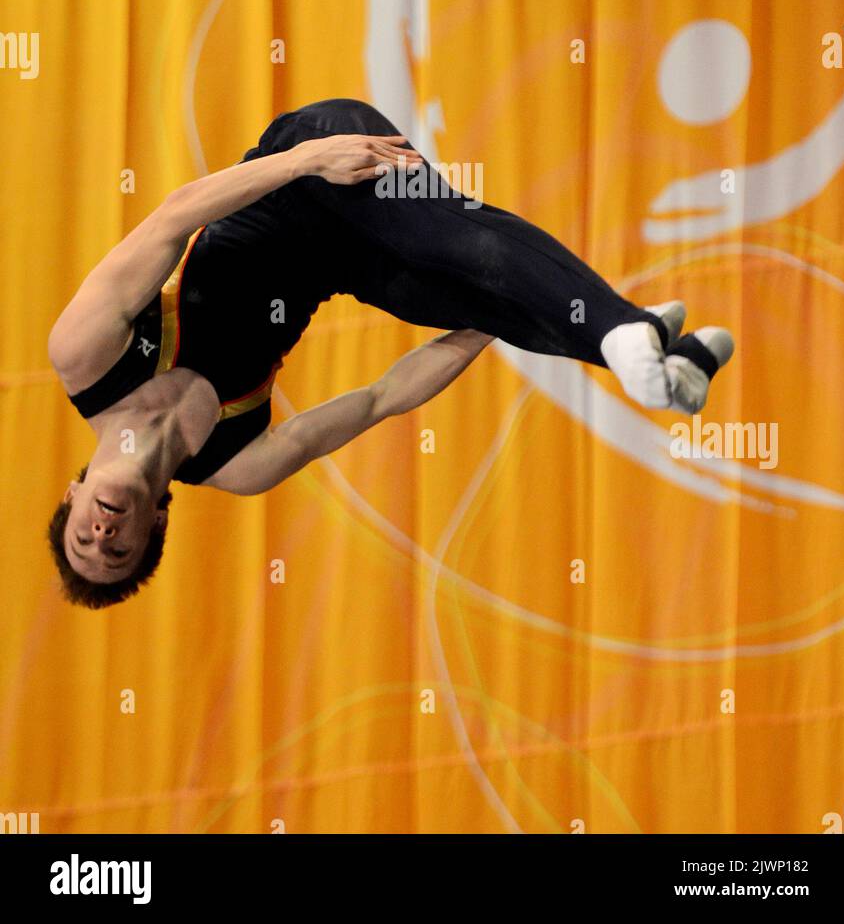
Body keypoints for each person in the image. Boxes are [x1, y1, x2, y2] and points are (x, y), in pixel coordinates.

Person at [46, 98, 734, 608]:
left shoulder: (85, 358)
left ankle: (620, 333)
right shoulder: (239, 463)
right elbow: (382, 397)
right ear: (156, 523)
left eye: (86, 538)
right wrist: (494, 320)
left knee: (452, 244)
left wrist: (306, 159)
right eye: (118, 549)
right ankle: (656, 351)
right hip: (349, 259)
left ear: (74, 497)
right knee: (475, 299)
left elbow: (174, 215)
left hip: (305, 160)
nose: (105, 533)